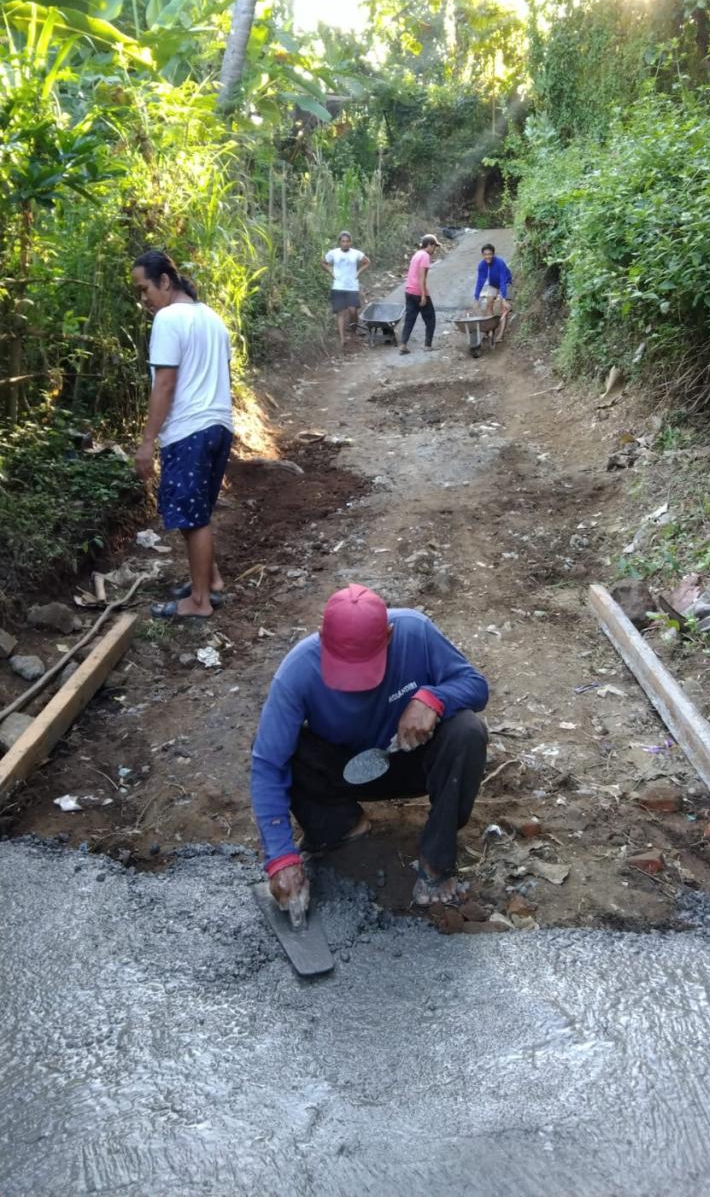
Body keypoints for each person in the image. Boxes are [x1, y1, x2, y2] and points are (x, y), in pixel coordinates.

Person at [251, 583, 489, 916]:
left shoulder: (415, 632)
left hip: (411, 759)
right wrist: (279, 857)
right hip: (344, 768)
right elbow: (267, 766)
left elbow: (477, 687)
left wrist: (434, 699)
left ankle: (436, 863)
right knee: (282, 748)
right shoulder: (297, 672)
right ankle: (343, 828)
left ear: (389, 636)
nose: (355, 686)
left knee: (467, 731)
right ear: (322, 636)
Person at [133, 249, 233, 621]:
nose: (143, 298)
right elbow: (223, 374)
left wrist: (147, 441)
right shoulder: (212, 318)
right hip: (219, 425)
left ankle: (200, 602)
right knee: (198, 513)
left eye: (144, 288)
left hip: (188, 430)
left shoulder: (169, 319)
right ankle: (212, 581)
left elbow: (165, 383)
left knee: (192, 519)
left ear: (164, 281)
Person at [322, 231, 370, 348]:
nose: (345, 243)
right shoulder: (333, 253)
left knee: (353, 311)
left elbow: (367, 262)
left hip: (352, 287)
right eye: (343, 241)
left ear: (350, 242)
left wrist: (358, 272)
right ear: (339, 242)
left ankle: (353, 333)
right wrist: (330, 271)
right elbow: (323, 262)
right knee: (341, 313)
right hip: (338, 287)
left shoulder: (356, 253)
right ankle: (342, 339)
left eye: (347, 241)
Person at [399, 233, 440, 355]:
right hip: (418, 291)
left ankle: (403, 344)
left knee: (409, 319)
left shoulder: (417, 254)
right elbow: (422, 277)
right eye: (434, 247)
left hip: (409, 291)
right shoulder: (425, 256)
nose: (434, 250)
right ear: (429, 245)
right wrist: (423, 295)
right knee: (430, 318)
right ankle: (427, 345)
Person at [473, 242, 513, 338]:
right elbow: (480, 281)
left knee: (503, 307)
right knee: (489, 303)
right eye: (485, 255)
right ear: (482, 255)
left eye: (490, 254)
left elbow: (503, 280)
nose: (488, 257)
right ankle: (491, 329)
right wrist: (476, 297)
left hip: (505, 282)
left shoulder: (500, 263)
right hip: (493, 284)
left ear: (493, 254)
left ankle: (500, 335)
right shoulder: (482, 265)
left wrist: (503, 299)